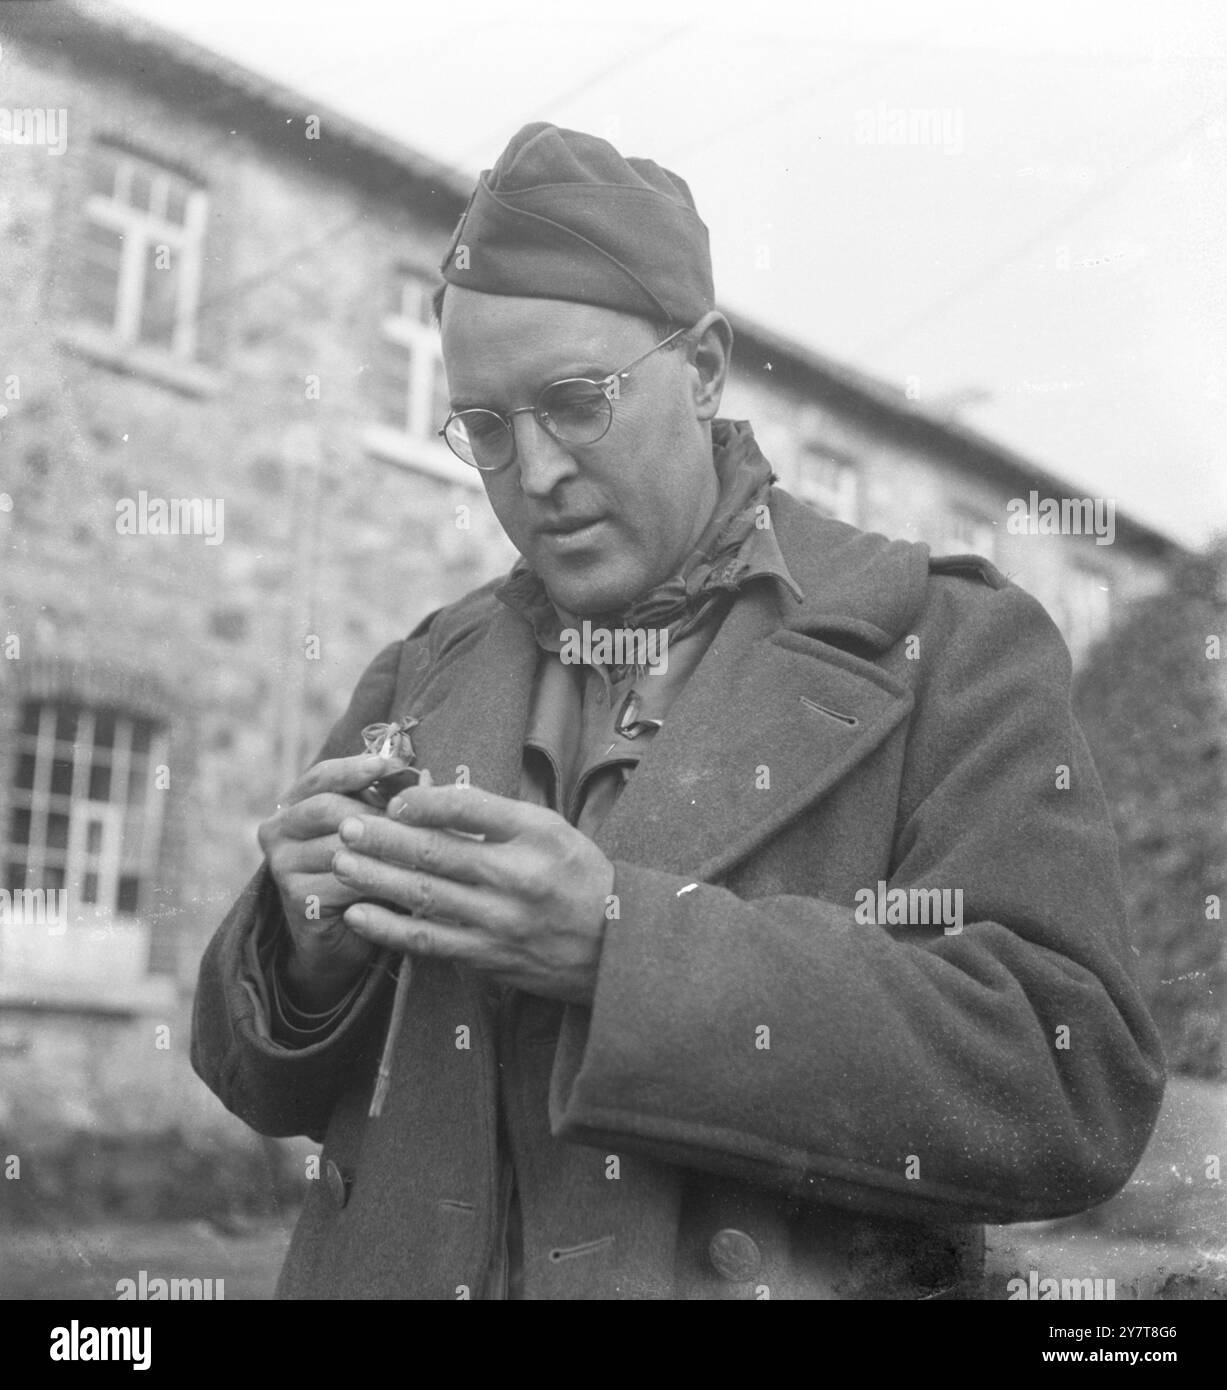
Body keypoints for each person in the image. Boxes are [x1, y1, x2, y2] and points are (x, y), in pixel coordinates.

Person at [191, 122, 1165, 1300]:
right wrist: (305, 954)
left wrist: (619, 947)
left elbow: (1075, 1084)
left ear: (702, 367)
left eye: (574, 403)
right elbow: (258, 1078)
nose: (534, 473)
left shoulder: (946, 645)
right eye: (486, 428)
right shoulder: (425, 668)